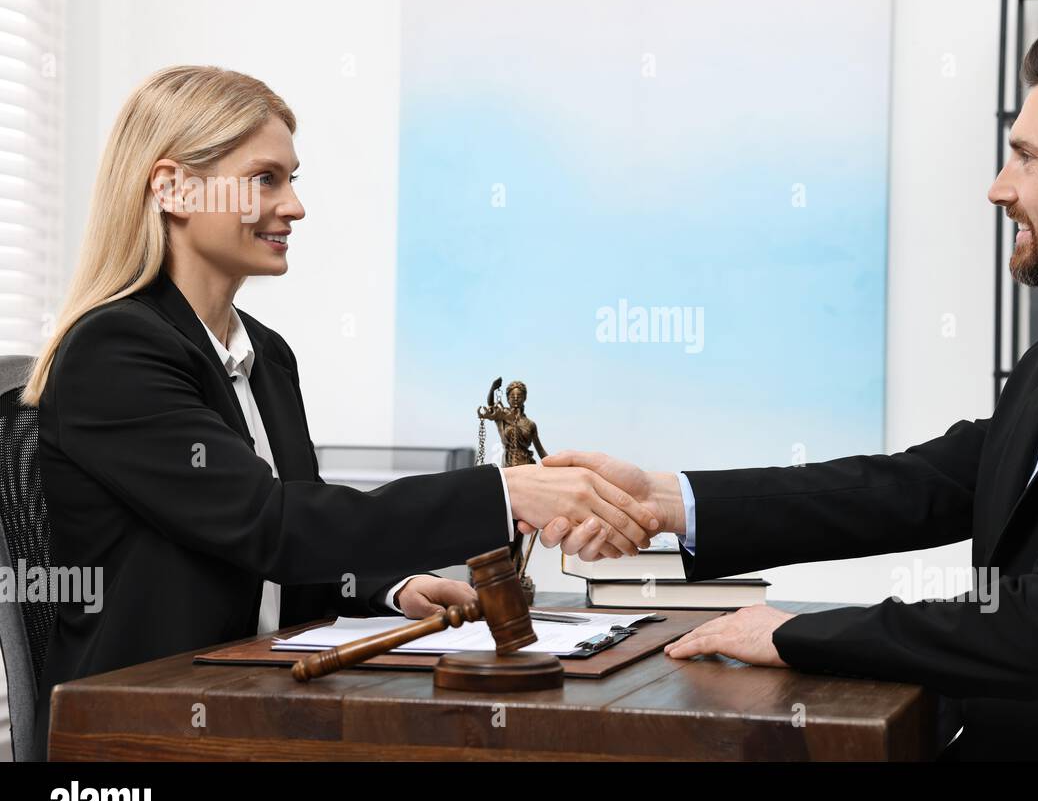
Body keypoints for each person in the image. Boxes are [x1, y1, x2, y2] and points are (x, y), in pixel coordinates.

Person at [532, 16, 1038, 760]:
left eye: (1027, 158)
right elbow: (914, 487)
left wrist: (788, 631)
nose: (1001, 189)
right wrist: (667, 502)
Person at [25, 66, 658, 752]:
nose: (294, 206)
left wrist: (392, 588)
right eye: (266, 179)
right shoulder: (113, 351)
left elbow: (298, 525)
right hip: (151, 726)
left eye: (293, 180)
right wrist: (503, 493)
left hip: (257, 693)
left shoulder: (265, 352)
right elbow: (272, 528)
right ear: (173, 187)